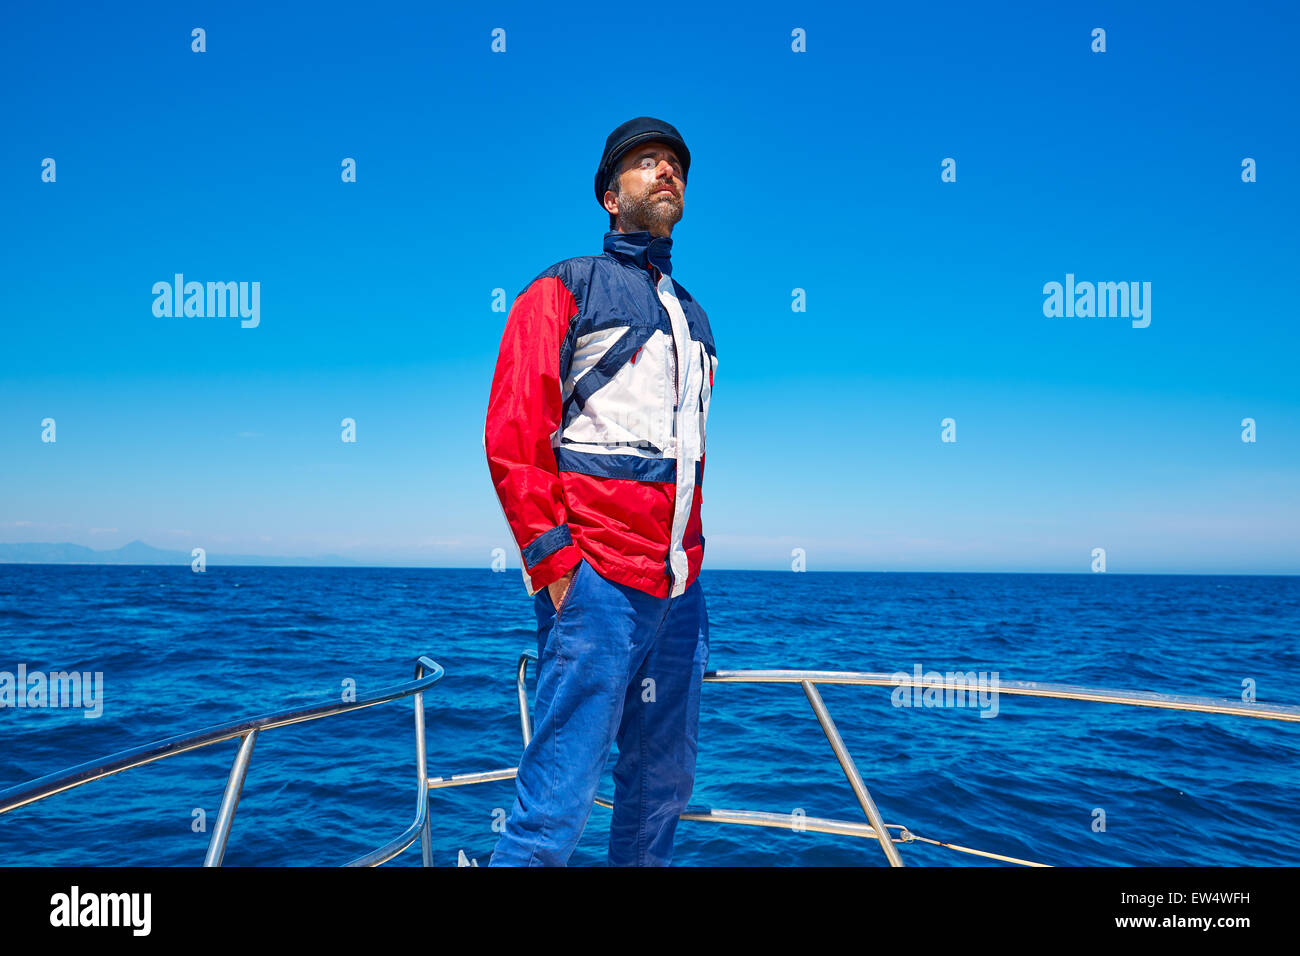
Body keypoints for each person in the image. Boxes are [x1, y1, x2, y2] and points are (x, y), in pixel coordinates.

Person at [483, 116, 717, 866]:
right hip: (596, 588)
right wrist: (555, 567)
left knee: (663, 786)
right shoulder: (565, 286)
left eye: (674, 163)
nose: (665, 172)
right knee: (556, 801)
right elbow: (514, 433)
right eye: (646, 163)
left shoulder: (697, 319)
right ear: (610, 196)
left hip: (679, 594)